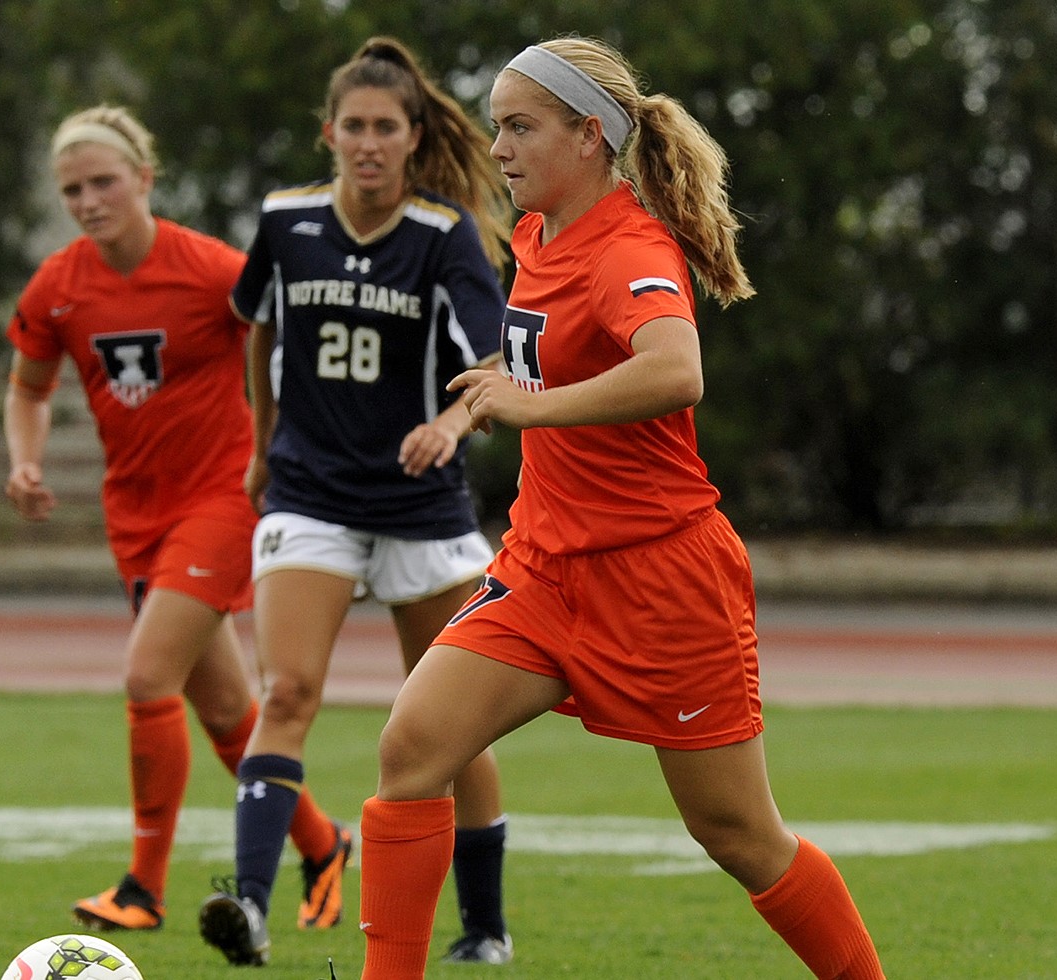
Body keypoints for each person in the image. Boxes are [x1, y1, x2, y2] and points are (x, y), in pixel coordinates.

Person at [354, 37, 886, 979]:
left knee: (737, 833)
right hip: (543, 569)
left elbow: (676, 371)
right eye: (497, 127)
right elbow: (562, 367)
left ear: (589, 135)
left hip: (661, 581)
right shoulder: (536, 233)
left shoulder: (628, 247)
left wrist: (530, 404)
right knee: (412, 749)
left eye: (521, 127)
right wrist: (504, 381)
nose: (502, 147)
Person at [195, 37, 518, 969]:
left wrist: (452, 428)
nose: (368, 143)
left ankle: (485, 927)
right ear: (328, 133)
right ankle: (250, 910)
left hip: (423, 508)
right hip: (310, 494)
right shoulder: (285, 223)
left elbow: (495, 362)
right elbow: (256, 329)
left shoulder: (443, 235)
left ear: (414, 139)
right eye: (354, 127)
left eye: (388, 128)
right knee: (287, 692)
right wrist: (262, 444)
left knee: (451, 727)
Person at [3, 104, 348, 936]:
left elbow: (283, 338)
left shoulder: (209, 270)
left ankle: (141, 889)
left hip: (224, 500)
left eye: (104, 182)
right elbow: (27, 386)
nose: (88, 200)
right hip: (135, 515)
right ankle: (324, 844)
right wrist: (25, 459)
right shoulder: (59, 285)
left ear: (146, 179)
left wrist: (299, 444)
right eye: (72, 189)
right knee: (228, 715)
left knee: (145, 677)